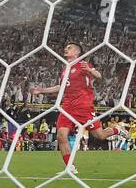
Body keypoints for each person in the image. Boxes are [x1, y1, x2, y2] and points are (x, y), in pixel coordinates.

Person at [28, 43, 123, 173]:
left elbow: (99, 77)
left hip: (84, 107)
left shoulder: (83, 65)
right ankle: (70, 167)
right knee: (61, 135)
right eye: (66, 47)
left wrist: (91, 71)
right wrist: (42, 90)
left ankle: (118, 130)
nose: (66, 49)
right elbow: (61, 87)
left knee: (99, 135)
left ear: (77, 52)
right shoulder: (65, 68)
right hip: (67, 108)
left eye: (69, 47)